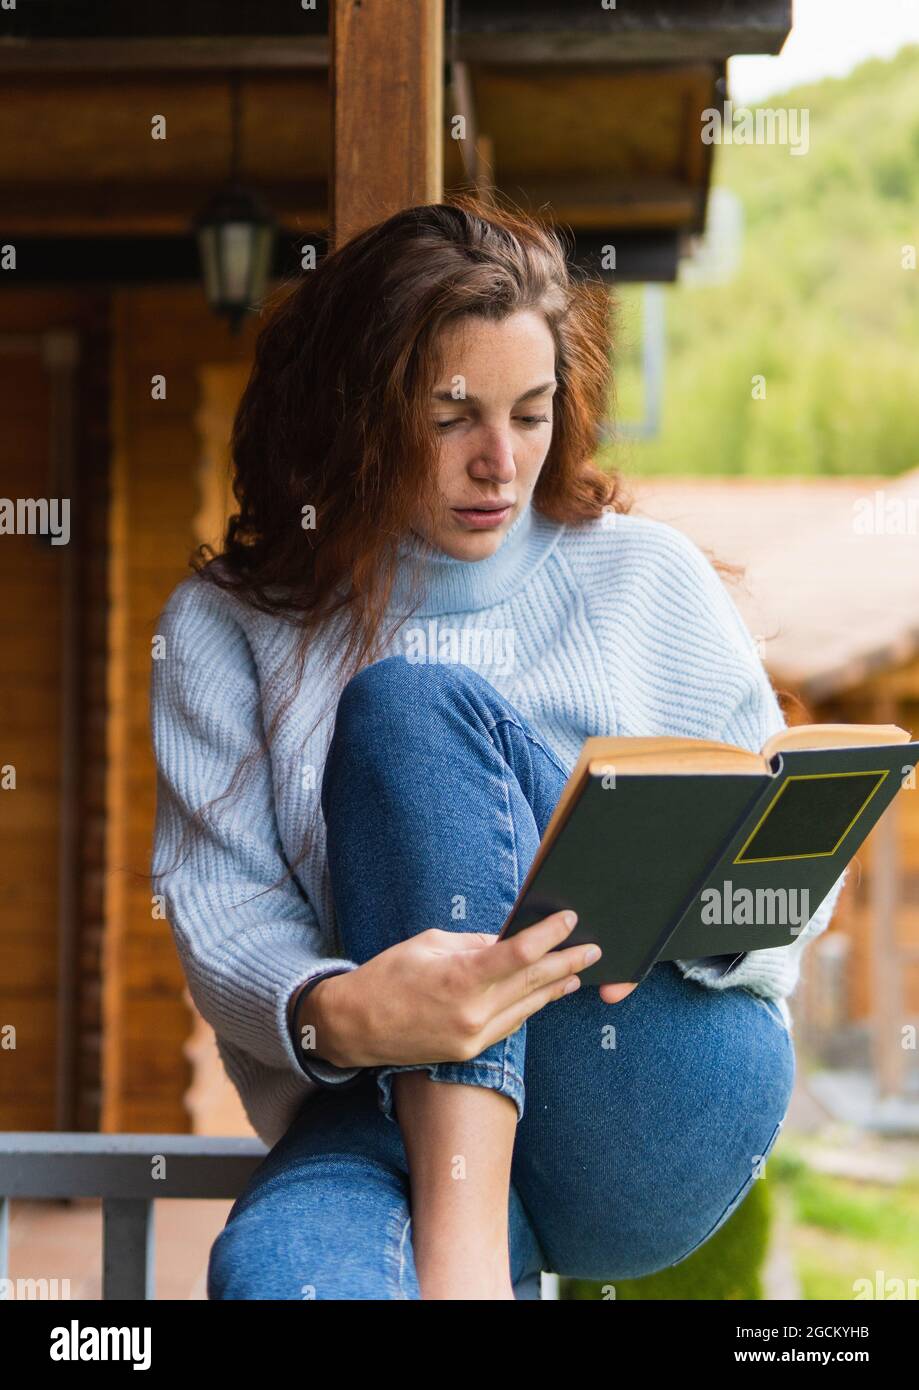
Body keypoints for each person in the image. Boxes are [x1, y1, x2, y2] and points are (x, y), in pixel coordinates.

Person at [149, 196, 846, 1300]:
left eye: (530, 414)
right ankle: (462, 1239)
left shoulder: (642, 578)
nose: (499, 463)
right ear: (352, 411)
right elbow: (222, 908)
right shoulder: (229, 629)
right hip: (371, 1103)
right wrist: (343, 1010)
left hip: (642, 1087)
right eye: (450, 417)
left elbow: (793, 882)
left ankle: (466, 1266)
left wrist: (665, 920)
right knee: (281, 1276)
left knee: (410, 713)